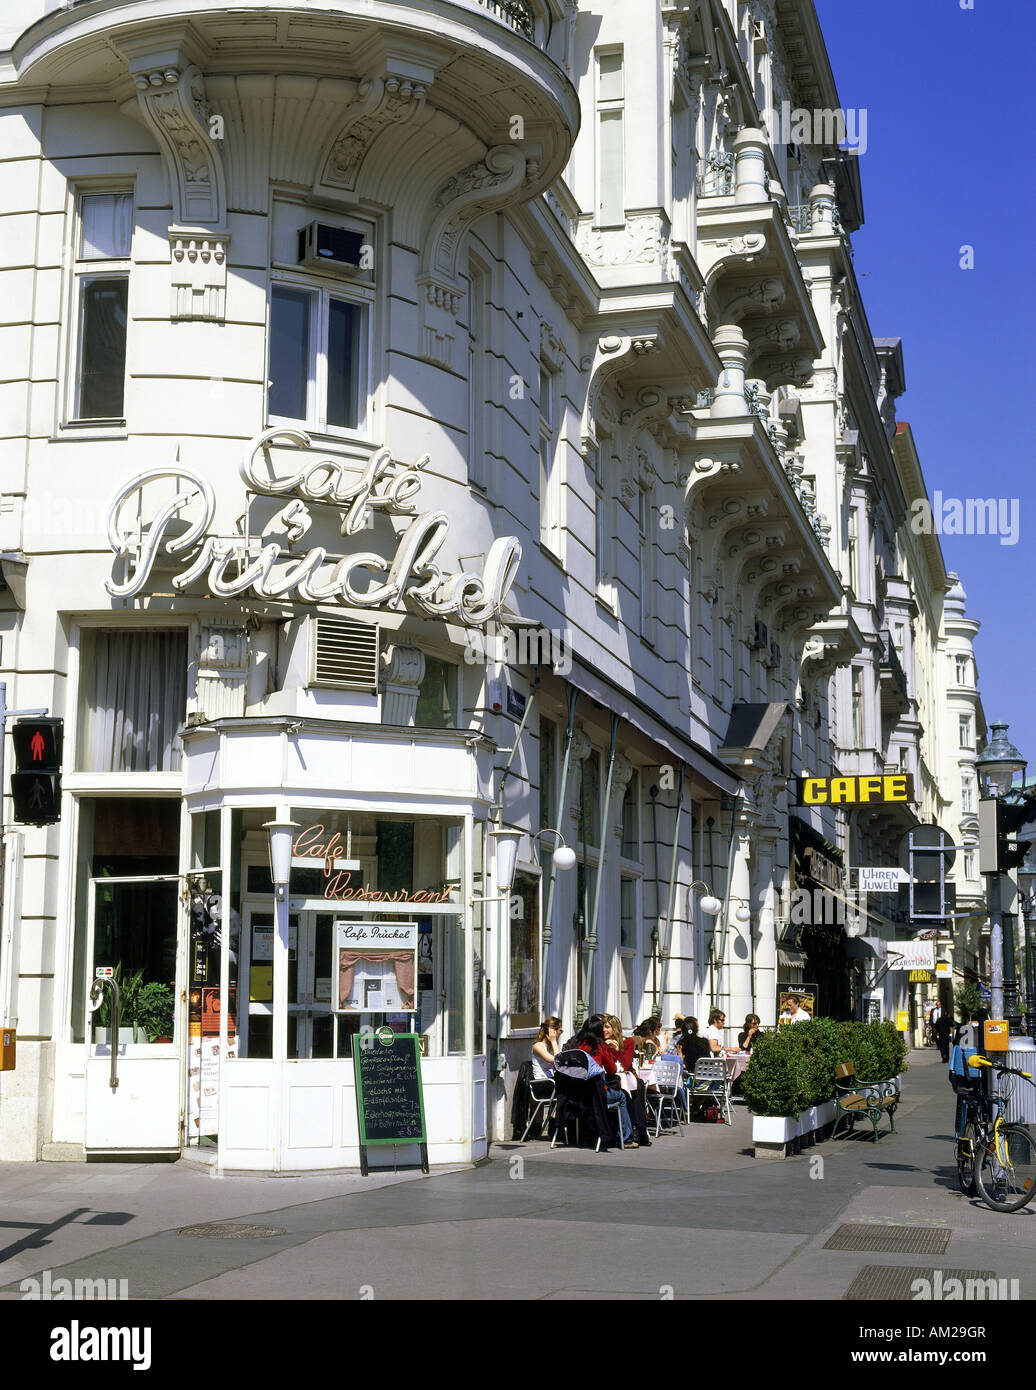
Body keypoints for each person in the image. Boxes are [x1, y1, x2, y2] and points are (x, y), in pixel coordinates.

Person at [573, 1015, 637, 1147]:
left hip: (576, 1093)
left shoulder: (577, 1045)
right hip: (595, 1094)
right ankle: (626, 1138)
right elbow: (613, 1069)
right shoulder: (599, 1047)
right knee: (622, 1096)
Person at [602, 1013, 652, 1145]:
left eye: (607, 1027)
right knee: (625, 1090)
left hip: (626, 1075)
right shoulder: (601, 1043)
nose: (604, 1030)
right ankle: (632, 1130)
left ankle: (637, 1129)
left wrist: (617, 1049)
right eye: (603, 1027)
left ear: (615, 1028)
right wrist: (605, 1047)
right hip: (610, 1077)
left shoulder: (628, 1042)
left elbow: (625, 1064)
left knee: (636, 1086)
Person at [532, 1016, 562, 1081]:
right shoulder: (537, 1046)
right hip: (541, 1082)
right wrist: (554, 1041)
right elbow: (557, 1062)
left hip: (552, 1080)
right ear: (553, 1032)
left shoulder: (552, 1047)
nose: (560, 1033)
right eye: (560, 1031)